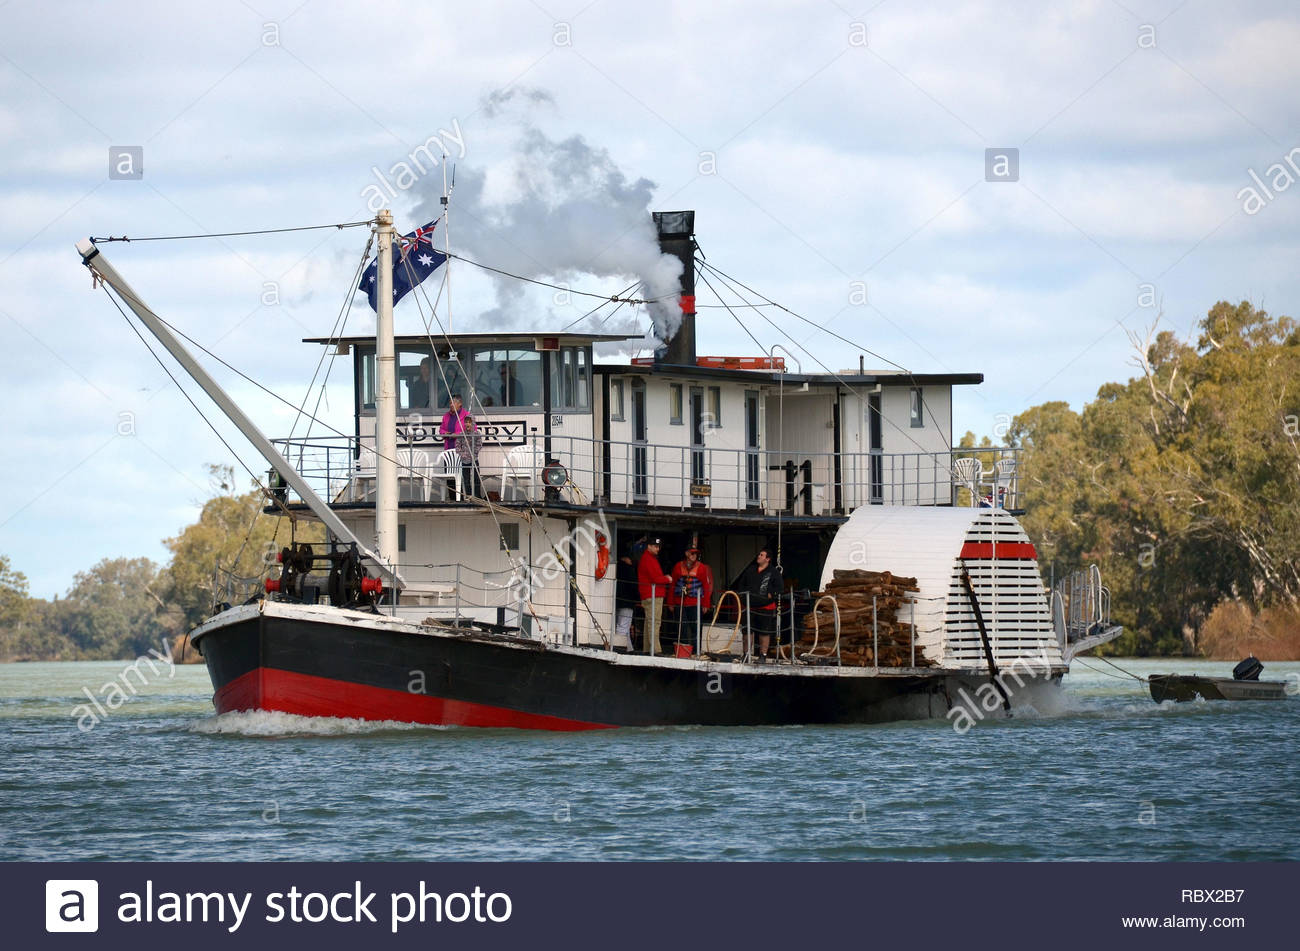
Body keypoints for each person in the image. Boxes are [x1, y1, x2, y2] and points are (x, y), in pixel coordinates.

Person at [737, 547, 783, 662]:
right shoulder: (750, 570)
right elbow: (741, 584)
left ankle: (763, 655)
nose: (758, 556)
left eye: (761, 555)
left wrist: (771, 594)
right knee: (747, 631)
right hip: (749, 606)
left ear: (767, 559)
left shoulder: (774, 572)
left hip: (766, 607)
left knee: (764, 631)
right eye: (759, 554)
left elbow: (780, 588)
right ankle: (746, 654)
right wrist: (742, 596)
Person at [667, 546, 713, 653]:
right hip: (680, 602)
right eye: (692, 553)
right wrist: (670, 603)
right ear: (686, 554)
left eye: (695, 554)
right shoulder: (678, 566)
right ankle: (682, 651)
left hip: (695, 604)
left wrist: (706, 604)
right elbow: (673, 585)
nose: (694, 556)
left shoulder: (702, 567)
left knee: (695, 628)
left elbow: (706, 586)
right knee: (681, 628)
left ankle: (696, 651)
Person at [637, 537, 672, 656]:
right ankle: (656, 650)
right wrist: (667, 578)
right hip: (653, 595)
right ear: (649, 546)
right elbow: (655, 579)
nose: (658, 549)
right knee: (655, 622)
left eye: (658, 546)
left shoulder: (648, 558)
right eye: (655, 546)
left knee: (649, 622)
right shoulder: (648, 559)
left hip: (649, 594)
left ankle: (647, 649)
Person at [614, 550, 639, 651]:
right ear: (626, 558)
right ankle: (619, 649)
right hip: (627, 602)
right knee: (623, 628)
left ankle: (629, 650)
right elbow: (633, 586)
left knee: (623, 627)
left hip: (617, 602)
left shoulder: (615, 569)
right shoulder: (629, 569)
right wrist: (638, 598)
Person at [456, 414, 484, 498]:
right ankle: (468, 496)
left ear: (473, 423)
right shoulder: (461, 434)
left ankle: (477, 496)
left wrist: (474, 453)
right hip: (464, 460)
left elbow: (479, 445)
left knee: (476, 478)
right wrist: (462, 454)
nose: (467, 424)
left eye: (469, 422)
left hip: (474, 459)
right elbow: (457, 446)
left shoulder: (477, 434)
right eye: (466, 422)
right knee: (466, 479)